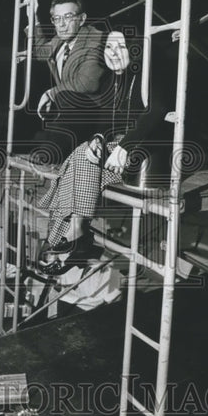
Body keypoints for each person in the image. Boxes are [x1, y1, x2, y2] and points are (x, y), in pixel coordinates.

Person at [37, 29, 174, 273]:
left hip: (145, 149)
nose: (113, 54)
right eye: (108, 48)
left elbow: (158, 108)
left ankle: (69, 237)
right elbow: (106, 122)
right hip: (118, 150)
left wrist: (124, 146)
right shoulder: (113, 81)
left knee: (80, 161)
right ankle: (70, 238)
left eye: (119, 47)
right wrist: (99, 138)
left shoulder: (147, 72)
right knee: (80, 156)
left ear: (133, 50)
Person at [22, 0, 110, 159]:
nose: (61, 25)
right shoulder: (61, 38)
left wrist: (51, 93)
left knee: (65, 96)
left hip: (96, 116)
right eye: (56, 18)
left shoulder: (96, 39)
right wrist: (33, 17)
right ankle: (49, 152)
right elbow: (41, 52)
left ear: (82, 19)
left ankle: (51, 154)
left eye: (68, 17)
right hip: (68, 113)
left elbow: (86, 84)